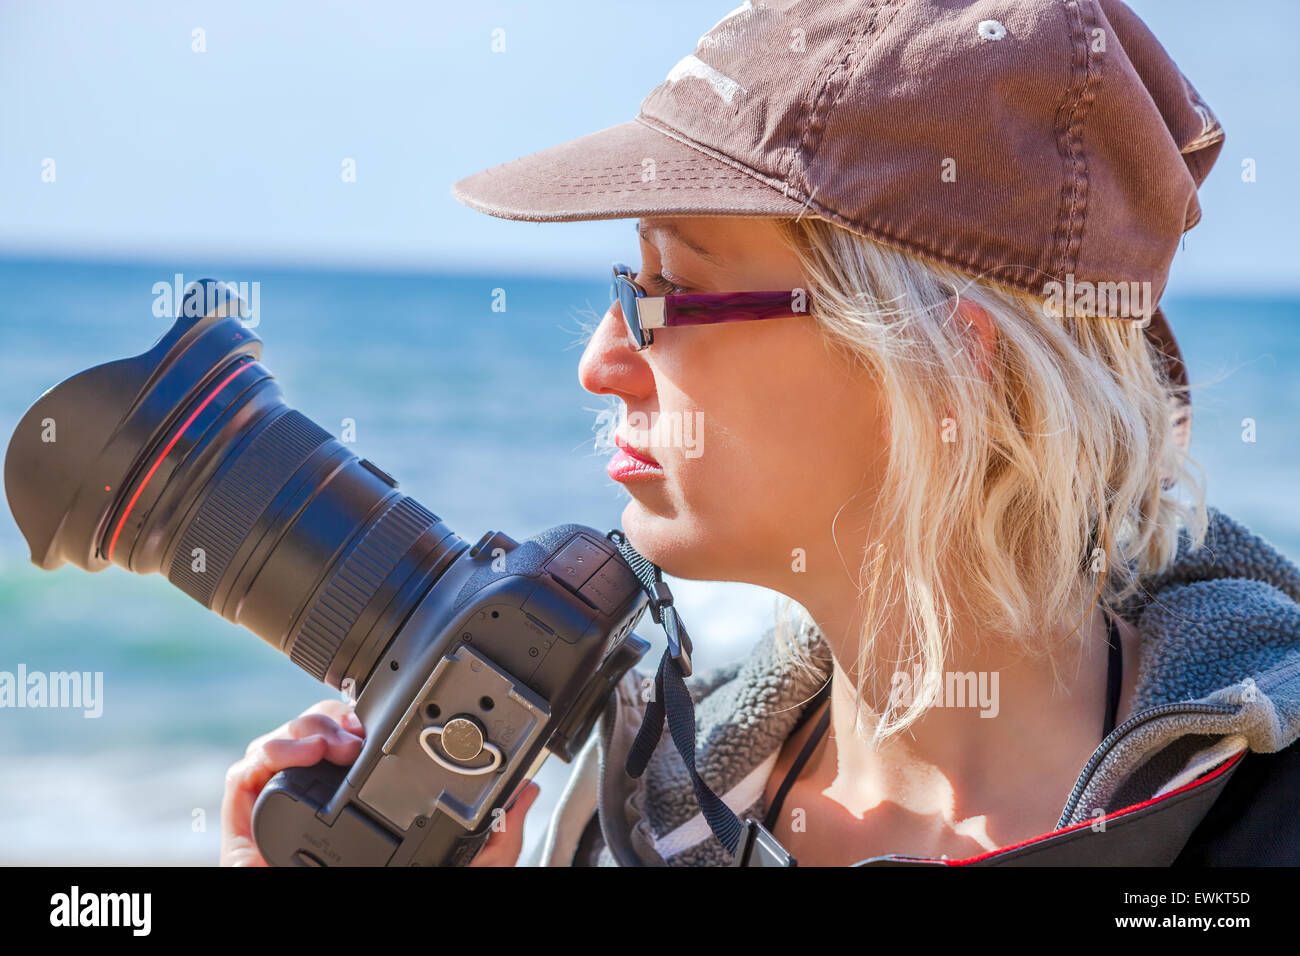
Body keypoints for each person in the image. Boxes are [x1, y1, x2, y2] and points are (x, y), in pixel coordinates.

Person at [221, 0, 1300, 866]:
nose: (599, 361)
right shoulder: (621, 813)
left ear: (948, 370)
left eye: (671, 289)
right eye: (623, 280)